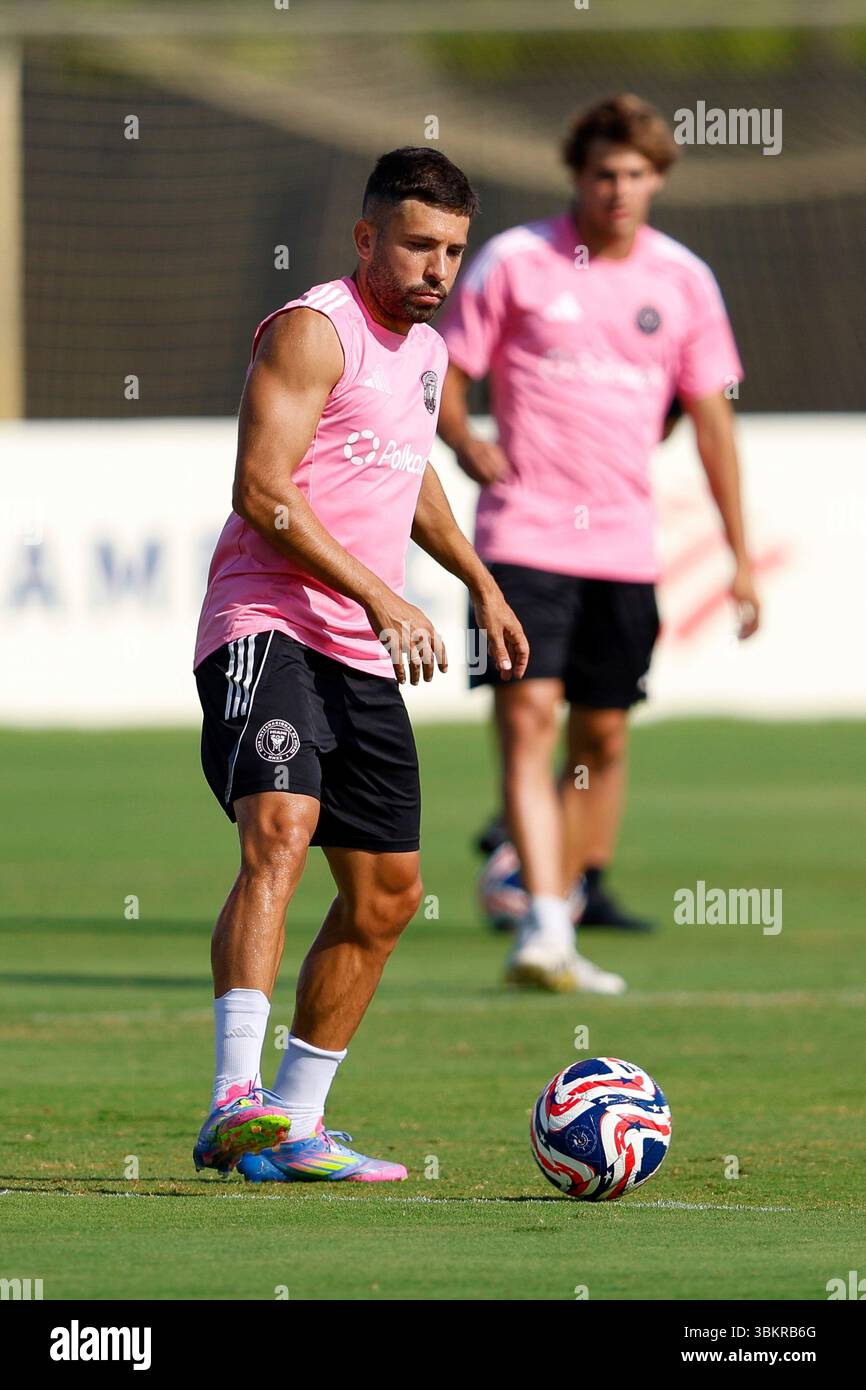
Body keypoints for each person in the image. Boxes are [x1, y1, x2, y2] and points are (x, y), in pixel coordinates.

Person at [191, 147, 528, 1183]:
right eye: (419, 244)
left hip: (358, 655)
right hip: (267, 626)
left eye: (453, 251)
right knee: (280, 826)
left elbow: (404, 465)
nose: (437, 268)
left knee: (387, 894)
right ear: (366, 237)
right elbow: (262, 488)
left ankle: (292, 1125)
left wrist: (476, 577)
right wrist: (383, 594)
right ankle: (232, 1094)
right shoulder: (312, 329)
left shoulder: (421, 352)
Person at [437, 94, 760, 992]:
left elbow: (711, 425)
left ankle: (556, 899)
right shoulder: (515, 262)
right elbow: (444, 381)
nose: (617, 190)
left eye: (635, 175)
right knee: (527, 718)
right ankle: (542, 926)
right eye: (602, 174)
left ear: (657, 179)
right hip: (521, 535)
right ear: (577, 177)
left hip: (623, 545)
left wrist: (738, 559)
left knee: (604, 735)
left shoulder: (684, 280)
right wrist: (466, 442)